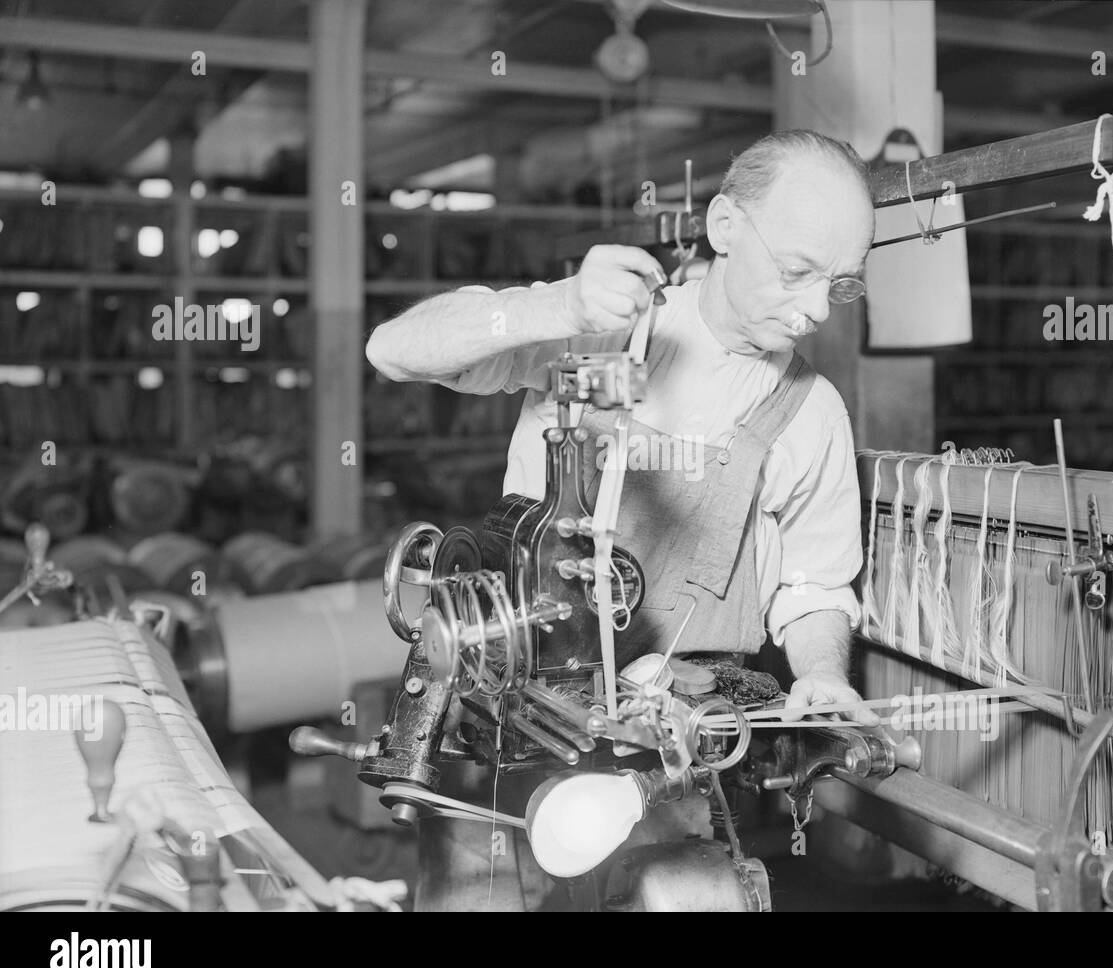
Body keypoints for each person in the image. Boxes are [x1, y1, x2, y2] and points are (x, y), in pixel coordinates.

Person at [367, 129, 878, 727]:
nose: (817, 310)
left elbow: (813, 585)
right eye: (797, 271)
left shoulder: (808, 412)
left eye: (840, 284)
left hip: (690, 730)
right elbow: (392, 352)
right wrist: (557, 308)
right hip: (528, 704)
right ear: (724, 226)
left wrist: (821, 672)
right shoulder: (608, 337)